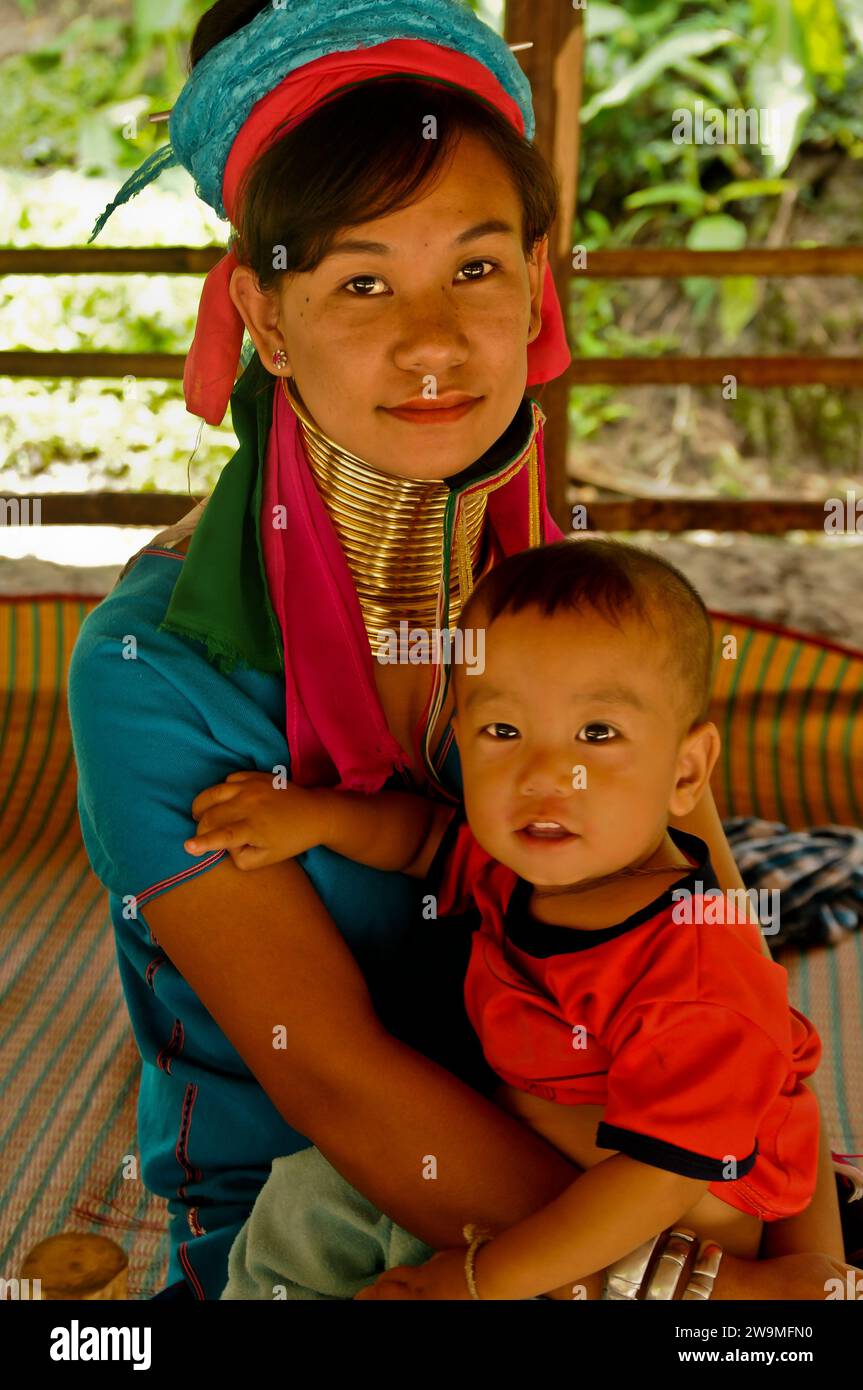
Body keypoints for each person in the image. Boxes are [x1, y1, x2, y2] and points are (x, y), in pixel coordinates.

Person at [68, 0, 850, 1301]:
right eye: (360, 280)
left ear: (535, 277)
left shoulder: (571, 606)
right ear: (262, 315)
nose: (432, 343)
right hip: (325, 1226)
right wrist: (711, 1292)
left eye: (474, 268)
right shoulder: (151, 670)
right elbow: (333, 1073)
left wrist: (806, 1257)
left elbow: (719, 962)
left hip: (623, 1189)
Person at [188, 538, 825, 1299]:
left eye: (596, 734)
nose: (545, 775)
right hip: (527, 1192)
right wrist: (317, 816)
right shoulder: (523, 869)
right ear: (461, 741)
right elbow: (425, 841)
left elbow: (658, 1176)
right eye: (503, 733)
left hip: (656, 1245)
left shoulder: (689, 961)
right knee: (303, 1205)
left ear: (686, 770)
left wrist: (477, 1283)